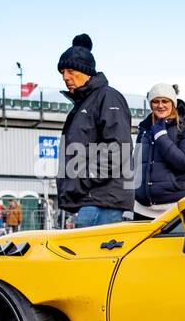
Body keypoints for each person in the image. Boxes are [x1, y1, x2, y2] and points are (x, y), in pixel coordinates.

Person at [56, 33, 133, 228]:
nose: (65, 77)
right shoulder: (85, 104)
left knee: (93, 258)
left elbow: (118, 150)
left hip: (102, 201)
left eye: (71, 71)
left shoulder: (107, 98)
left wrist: (81, 181)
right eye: (62, 72)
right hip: (92, 199)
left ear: (86, 71)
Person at [133, 83, 185, 219]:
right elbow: (136, 165)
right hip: (141, 209)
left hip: (174, 209)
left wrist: (161, 136)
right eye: (155, 101)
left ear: (173, 103)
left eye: (165, 101)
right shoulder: (145, 129)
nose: (160, 105)